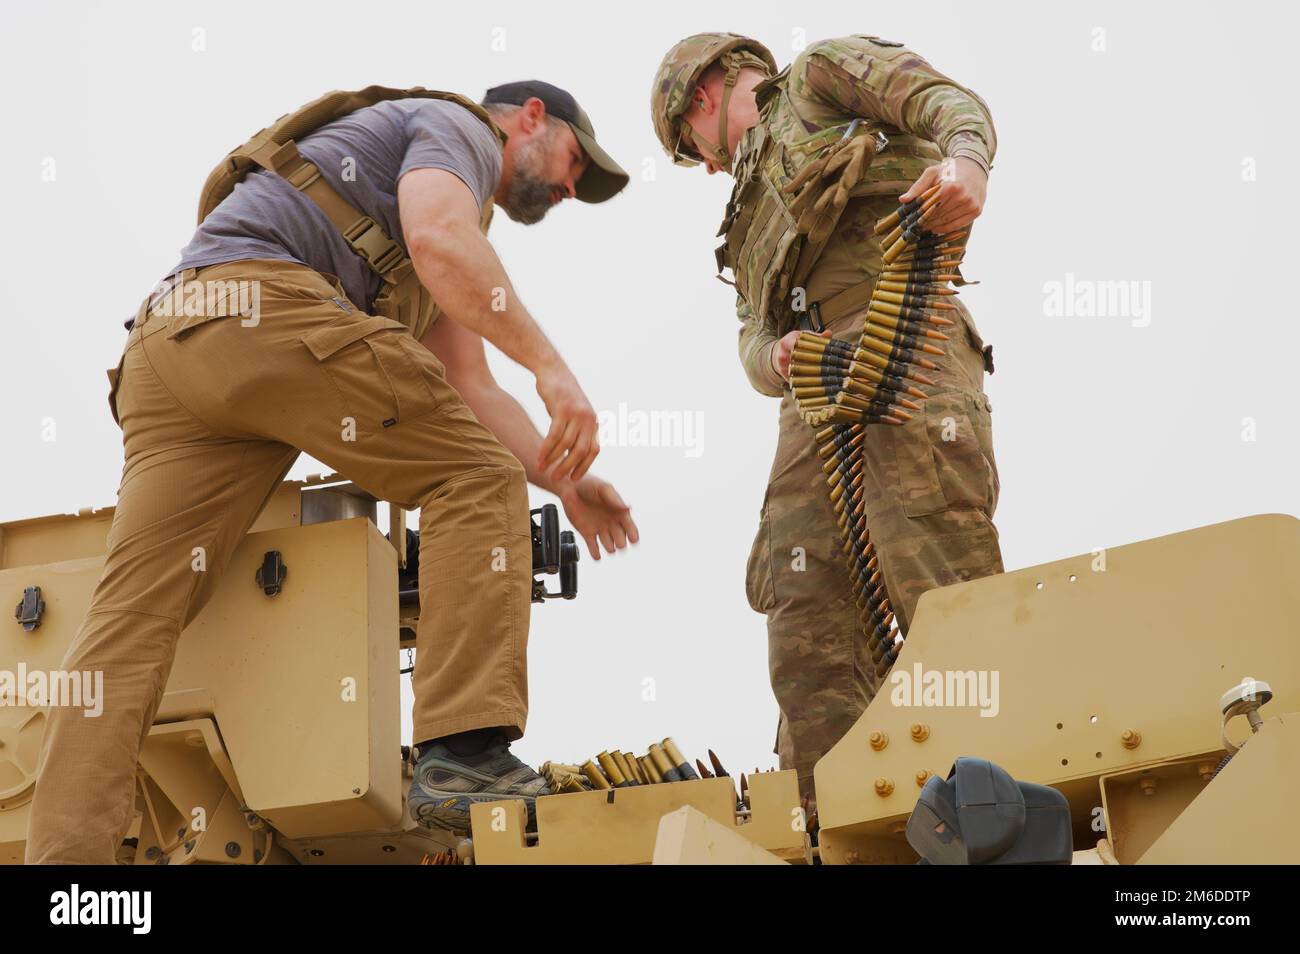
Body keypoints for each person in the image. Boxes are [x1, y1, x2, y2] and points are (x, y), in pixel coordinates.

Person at [27, 80, 638, 863]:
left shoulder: (420, 219)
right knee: (478, 480)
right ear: (530, 119)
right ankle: (465, 754)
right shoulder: (458, 132)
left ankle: (65, 875)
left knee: (130, 623)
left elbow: (470, 386)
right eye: (575, 161)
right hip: (262, 317)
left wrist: (566, 483)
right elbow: (441, 243)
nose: (567, 186)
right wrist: (556, 372)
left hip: (172, 347)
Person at [650, 34, 1004, 805]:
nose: (707, 166)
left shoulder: (817, 79)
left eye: (691, 148)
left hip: (904, 326)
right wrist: (775, 357)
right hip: (812, 393)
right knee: (803, 597)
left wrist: (965, 165)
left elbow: (944, 103)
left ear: (702, 95)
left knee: (932, 559)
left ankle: (994, 799)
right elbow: (748, 334)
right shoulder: (742, 220)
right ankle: (839, 817)